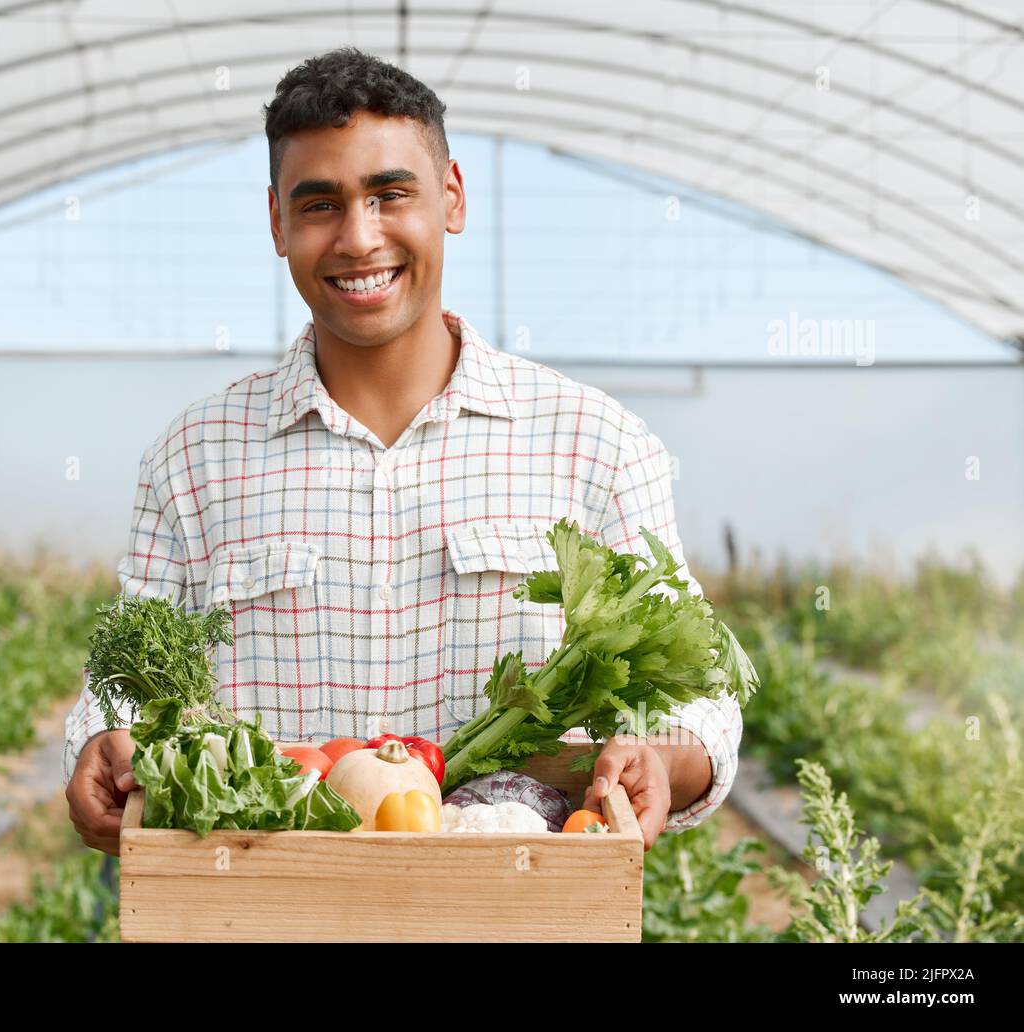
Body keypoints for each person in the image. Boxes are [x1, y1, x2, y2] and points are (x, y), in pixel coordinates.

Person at [64, 46, 741, 856]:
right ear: (277, 222)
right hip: (263, 909)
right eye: (319, 205)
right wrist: (106, 746)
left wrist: (668, 758)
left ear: (450, 197)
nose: (359, 237)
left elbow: (699, 693)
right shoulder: (194, 457)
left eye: (391, 194)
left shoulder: (595, 444)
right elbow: (119, 689)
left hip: (510, 912)